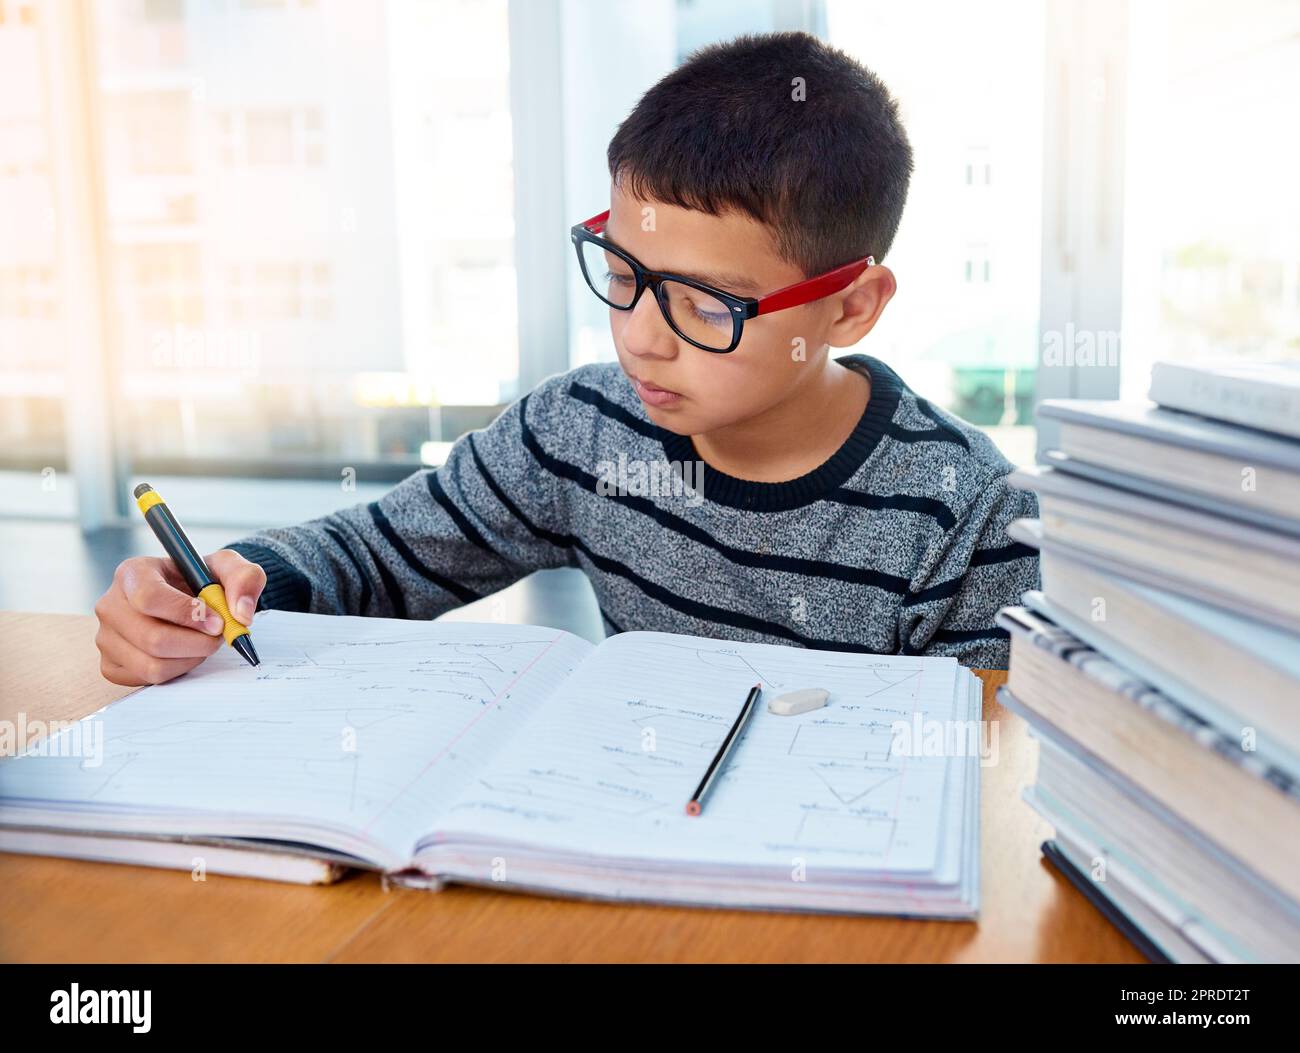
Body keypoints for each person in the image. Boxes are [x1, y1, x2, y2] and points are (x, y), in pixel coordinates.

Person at [93, 31, 1039, 687]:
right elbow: (378, 557)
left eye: (706, 303)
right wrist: (217, 585)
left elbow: (976, 787)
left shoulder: (973, 520)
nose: (639, 334)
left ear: (849, 306)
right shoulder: (586, 429)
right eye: (623, 268)